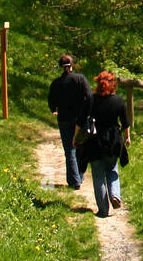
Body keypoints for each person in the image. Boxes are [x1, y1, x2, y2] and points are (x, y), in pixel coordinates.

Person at [75, 71, 131, 218]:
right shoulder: (119, 101)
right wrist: (127, 137)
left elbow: (80, 121)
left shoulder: (91, 100)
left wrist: (76, 138)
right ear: (113, 85)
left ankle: (103, 210)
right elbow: (125, 123)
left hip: (94, 143)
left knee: (98, 175)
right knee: (112, 170)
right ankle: (115, 195)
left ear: (97, 83)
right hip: (113, 142)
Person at [47, 54, 90, 189]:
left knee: (69, 150)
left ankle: (74, 181)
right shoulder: (80, 79)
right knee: (80, 147)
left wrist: (54, 109)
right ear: (72, 66)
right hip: (80, 118)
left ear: (61, 67)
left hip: (64, 119)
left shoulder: (56, 83)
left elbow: (51, 99)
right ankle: (80, 176)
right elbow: (89, 96)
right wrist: (87, 111)